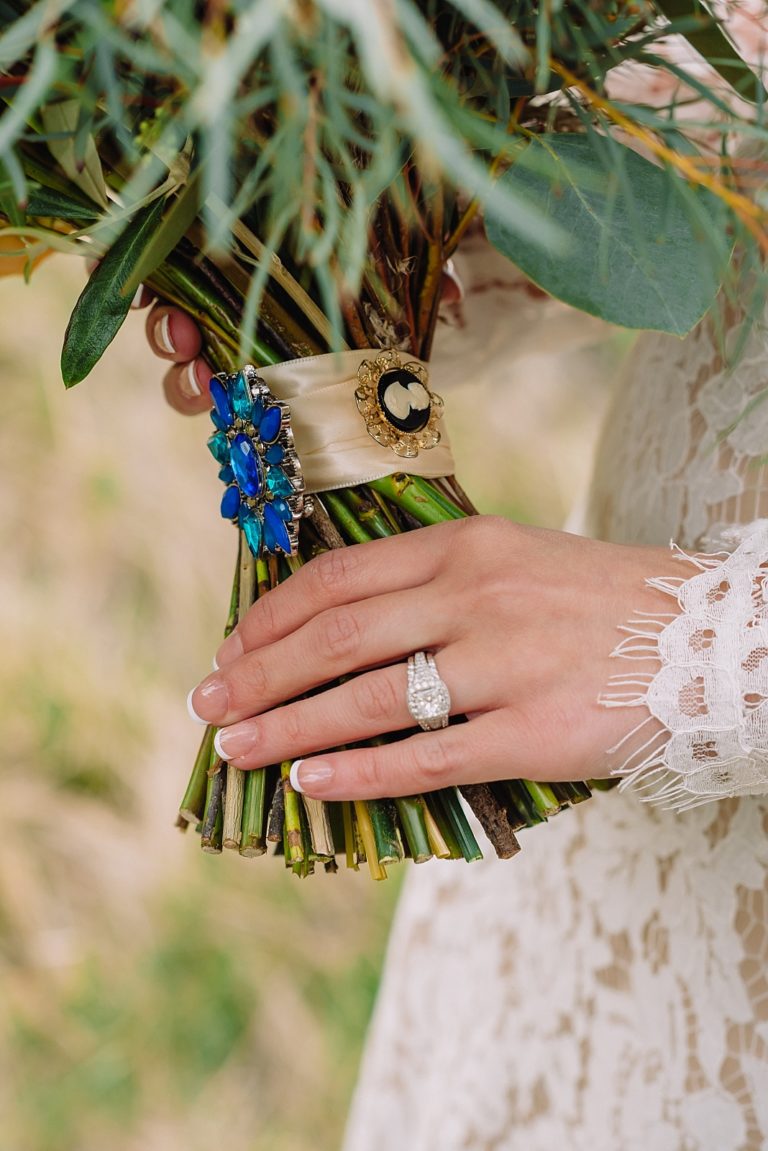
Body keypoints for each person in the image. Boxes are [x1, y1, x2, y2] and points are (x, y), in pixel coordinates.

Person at [143, 223, 768, 1148]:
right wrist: (362, 253)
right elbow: (692, 217)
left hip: (630, 670)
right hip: (578, 743)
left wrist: (696, 646)